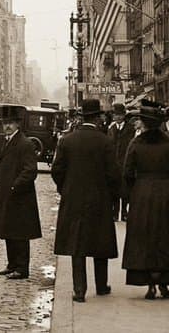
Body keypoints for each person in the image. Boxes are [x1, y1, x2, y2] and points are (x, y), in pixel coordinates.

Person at [52, 99, 119, 302]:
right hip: (99, 198)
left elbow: (57, 170)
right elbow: (113, 173)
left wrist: (65, 189)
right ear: (98, 118)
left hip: (74, 198)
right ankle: (101, 285)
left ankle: (79, 290)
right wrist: (111, 195)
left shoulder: (67, 140)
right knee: (100, 242)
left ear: (81, 117)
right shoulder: (105, 141)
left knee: (77, 244)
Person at [121, 101, 169, 300]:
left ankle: (148, 281)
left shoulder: (136, 143)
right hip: (164, 190)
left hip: (142, 191)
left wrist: (133, 191)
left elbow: (127, 172)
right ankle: (165, 280)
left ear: (144, 122)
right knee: (165, 236)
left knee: (143, 236)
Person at [0, 105, 41, 281]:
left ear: (17, 124)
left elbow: (30, 170)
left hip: (20, 197)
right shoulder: (8, 141)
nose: (7, 126)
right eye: (5, 123)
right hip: (8, 195)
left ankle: (22, 268)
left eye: (10, 123)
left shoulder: (24, 143)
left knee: (20, 233)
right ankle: (12, 264)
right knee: (8, 230)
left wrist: (14, 186)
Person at [108, 104, 134, 221]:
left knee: (125, 188)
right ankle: (114, 211)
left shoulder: (130, 128)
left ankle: (124, 211)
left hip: (125, 161)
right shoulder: (111, 129)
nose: (118, 117)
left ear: (124, 115)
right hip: (114, 162)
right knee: (114, 188)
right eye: (116, 115)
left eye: (120, 115)